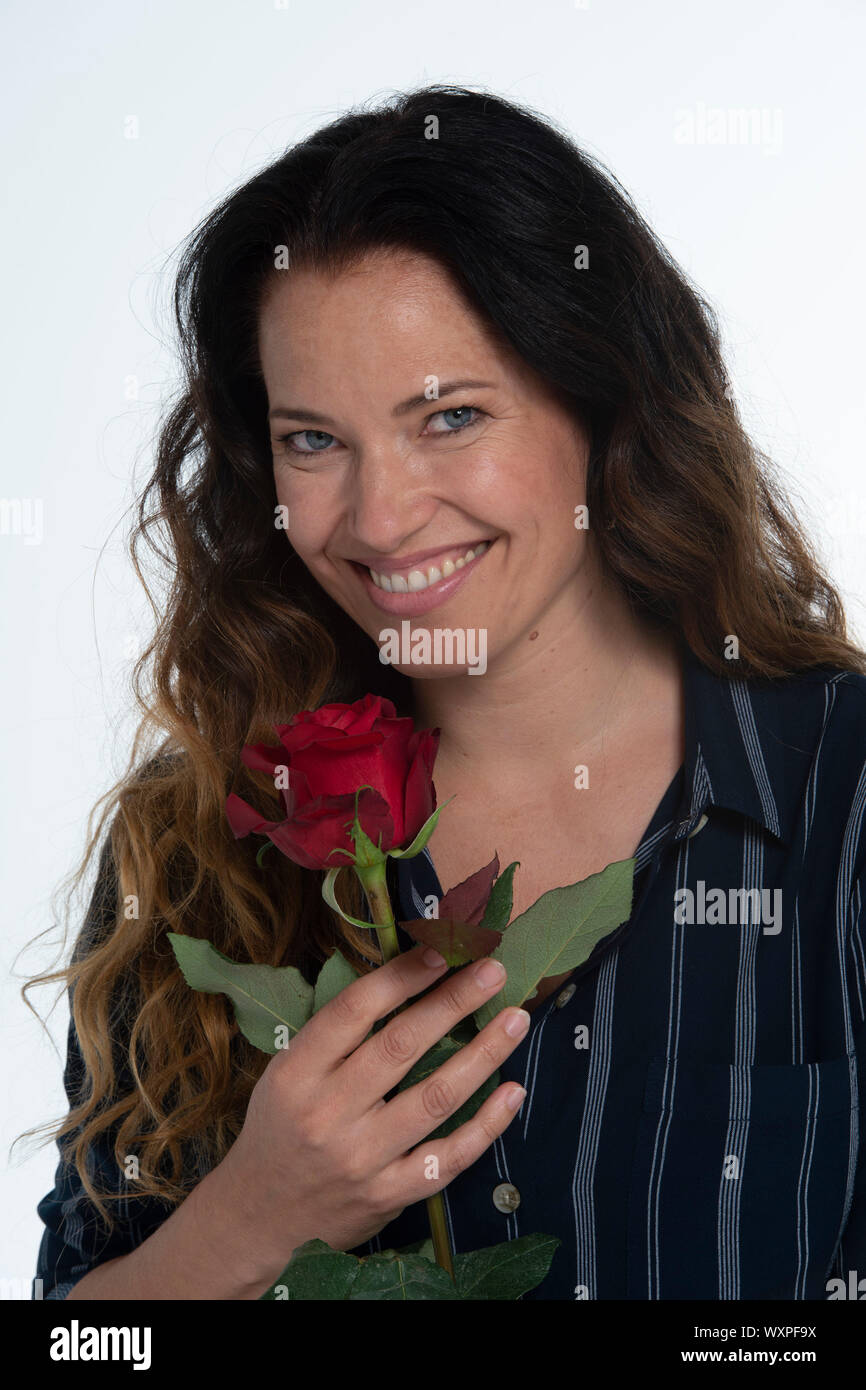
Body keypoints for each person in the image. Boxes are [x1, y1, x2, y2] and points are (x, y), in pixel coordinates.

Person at [22, 84, 866, 1301]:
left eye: (449, 416)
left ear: (605, 405)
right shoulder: (204, 832)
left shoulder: (840, 794)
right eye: (314, 440)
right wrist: (249, 1217)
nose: (377, 517)